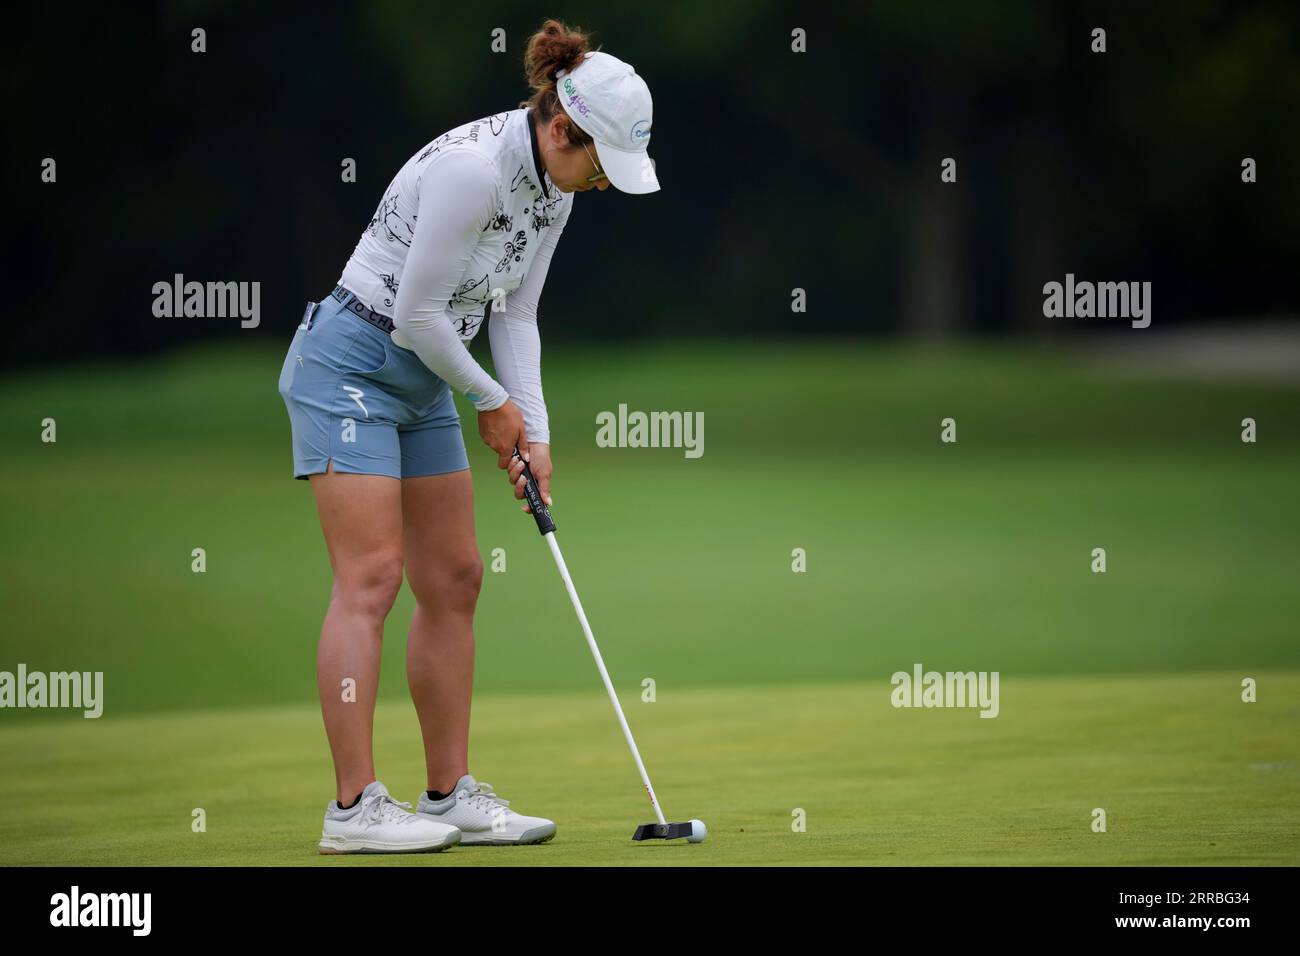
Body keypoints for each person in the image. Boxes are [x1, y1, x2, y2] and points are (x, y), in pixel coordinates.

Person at [277, 19, 659, 853]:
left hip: (428, 373)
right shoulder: (473, 172)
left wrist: (538, 432)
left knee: (453, 575)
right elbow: (416, 313)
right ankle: (352, 810)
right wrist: (492, 404)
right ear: (563, 127)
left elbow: (515, 312)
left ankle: (447, 793)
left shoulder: (552, 188)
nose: (596, 185)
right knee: (372, 579)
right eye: (598, 167)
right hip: (354, 361)